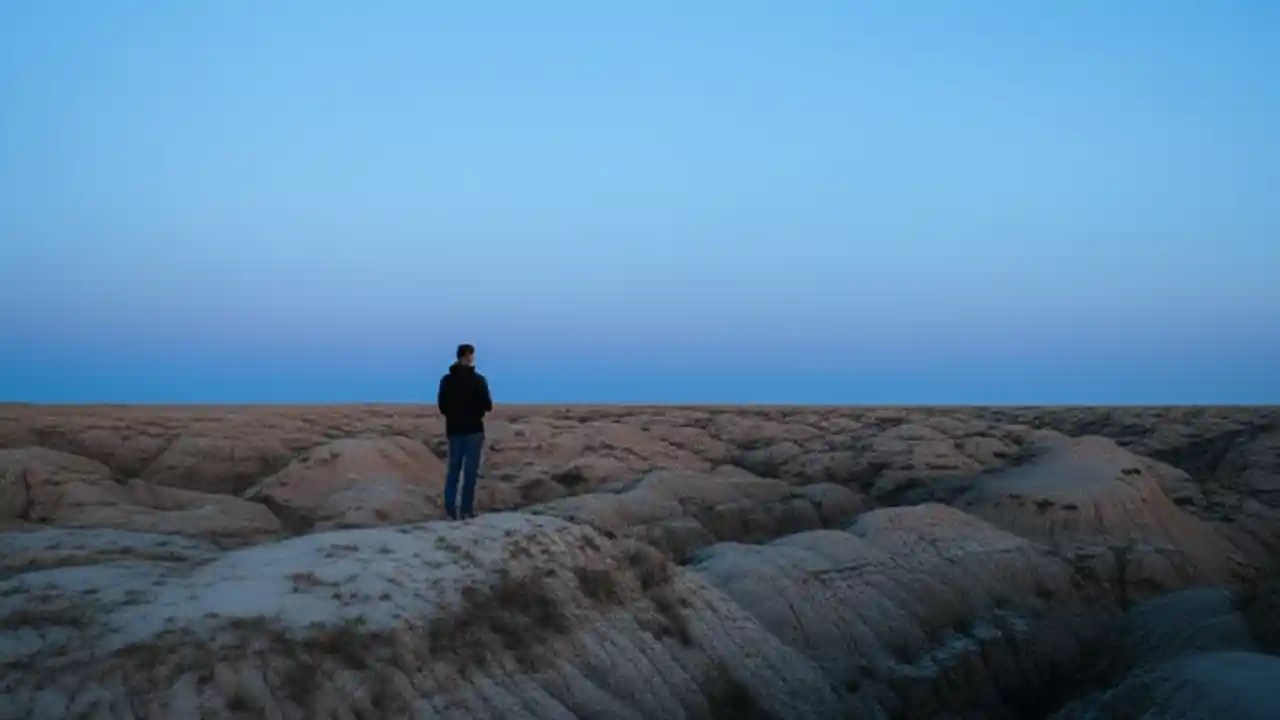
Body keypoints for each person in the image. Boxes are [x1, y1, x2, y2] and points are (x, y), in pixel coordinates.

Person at [436, 343, 493, 520]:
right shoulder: (478, 380)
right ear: (468, 356)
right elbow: (488, 405)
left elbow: (442, 405)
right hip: (473, 430)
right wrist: (476, 412)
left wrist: (454, 416)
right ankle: (466, 510)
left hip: (454, 430)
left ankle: (451, 509)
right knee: (469, 473)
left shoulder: (447, 380)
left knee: (453, 471)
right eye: (471, 355)